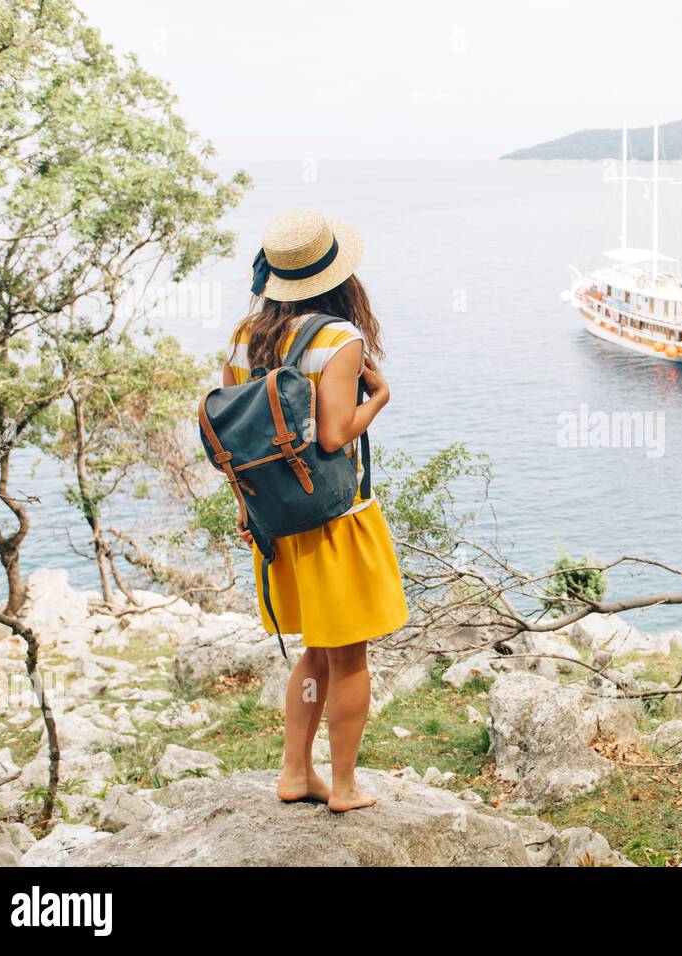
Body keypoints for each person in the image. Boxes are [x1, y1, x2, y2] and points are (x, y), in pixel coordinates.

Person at [222, 208, 409, 812]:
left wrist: (249, 513)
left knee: (314, 650)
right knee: (349, 653)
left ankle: (296, 773)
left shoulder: (244, 338)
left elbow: (238, 438)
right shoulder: (339, 340)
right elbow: (333, 437)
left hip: (274, 520)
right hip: (333, 521)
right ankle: (346, 786)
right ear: (337, 277)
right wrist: (378, 399)